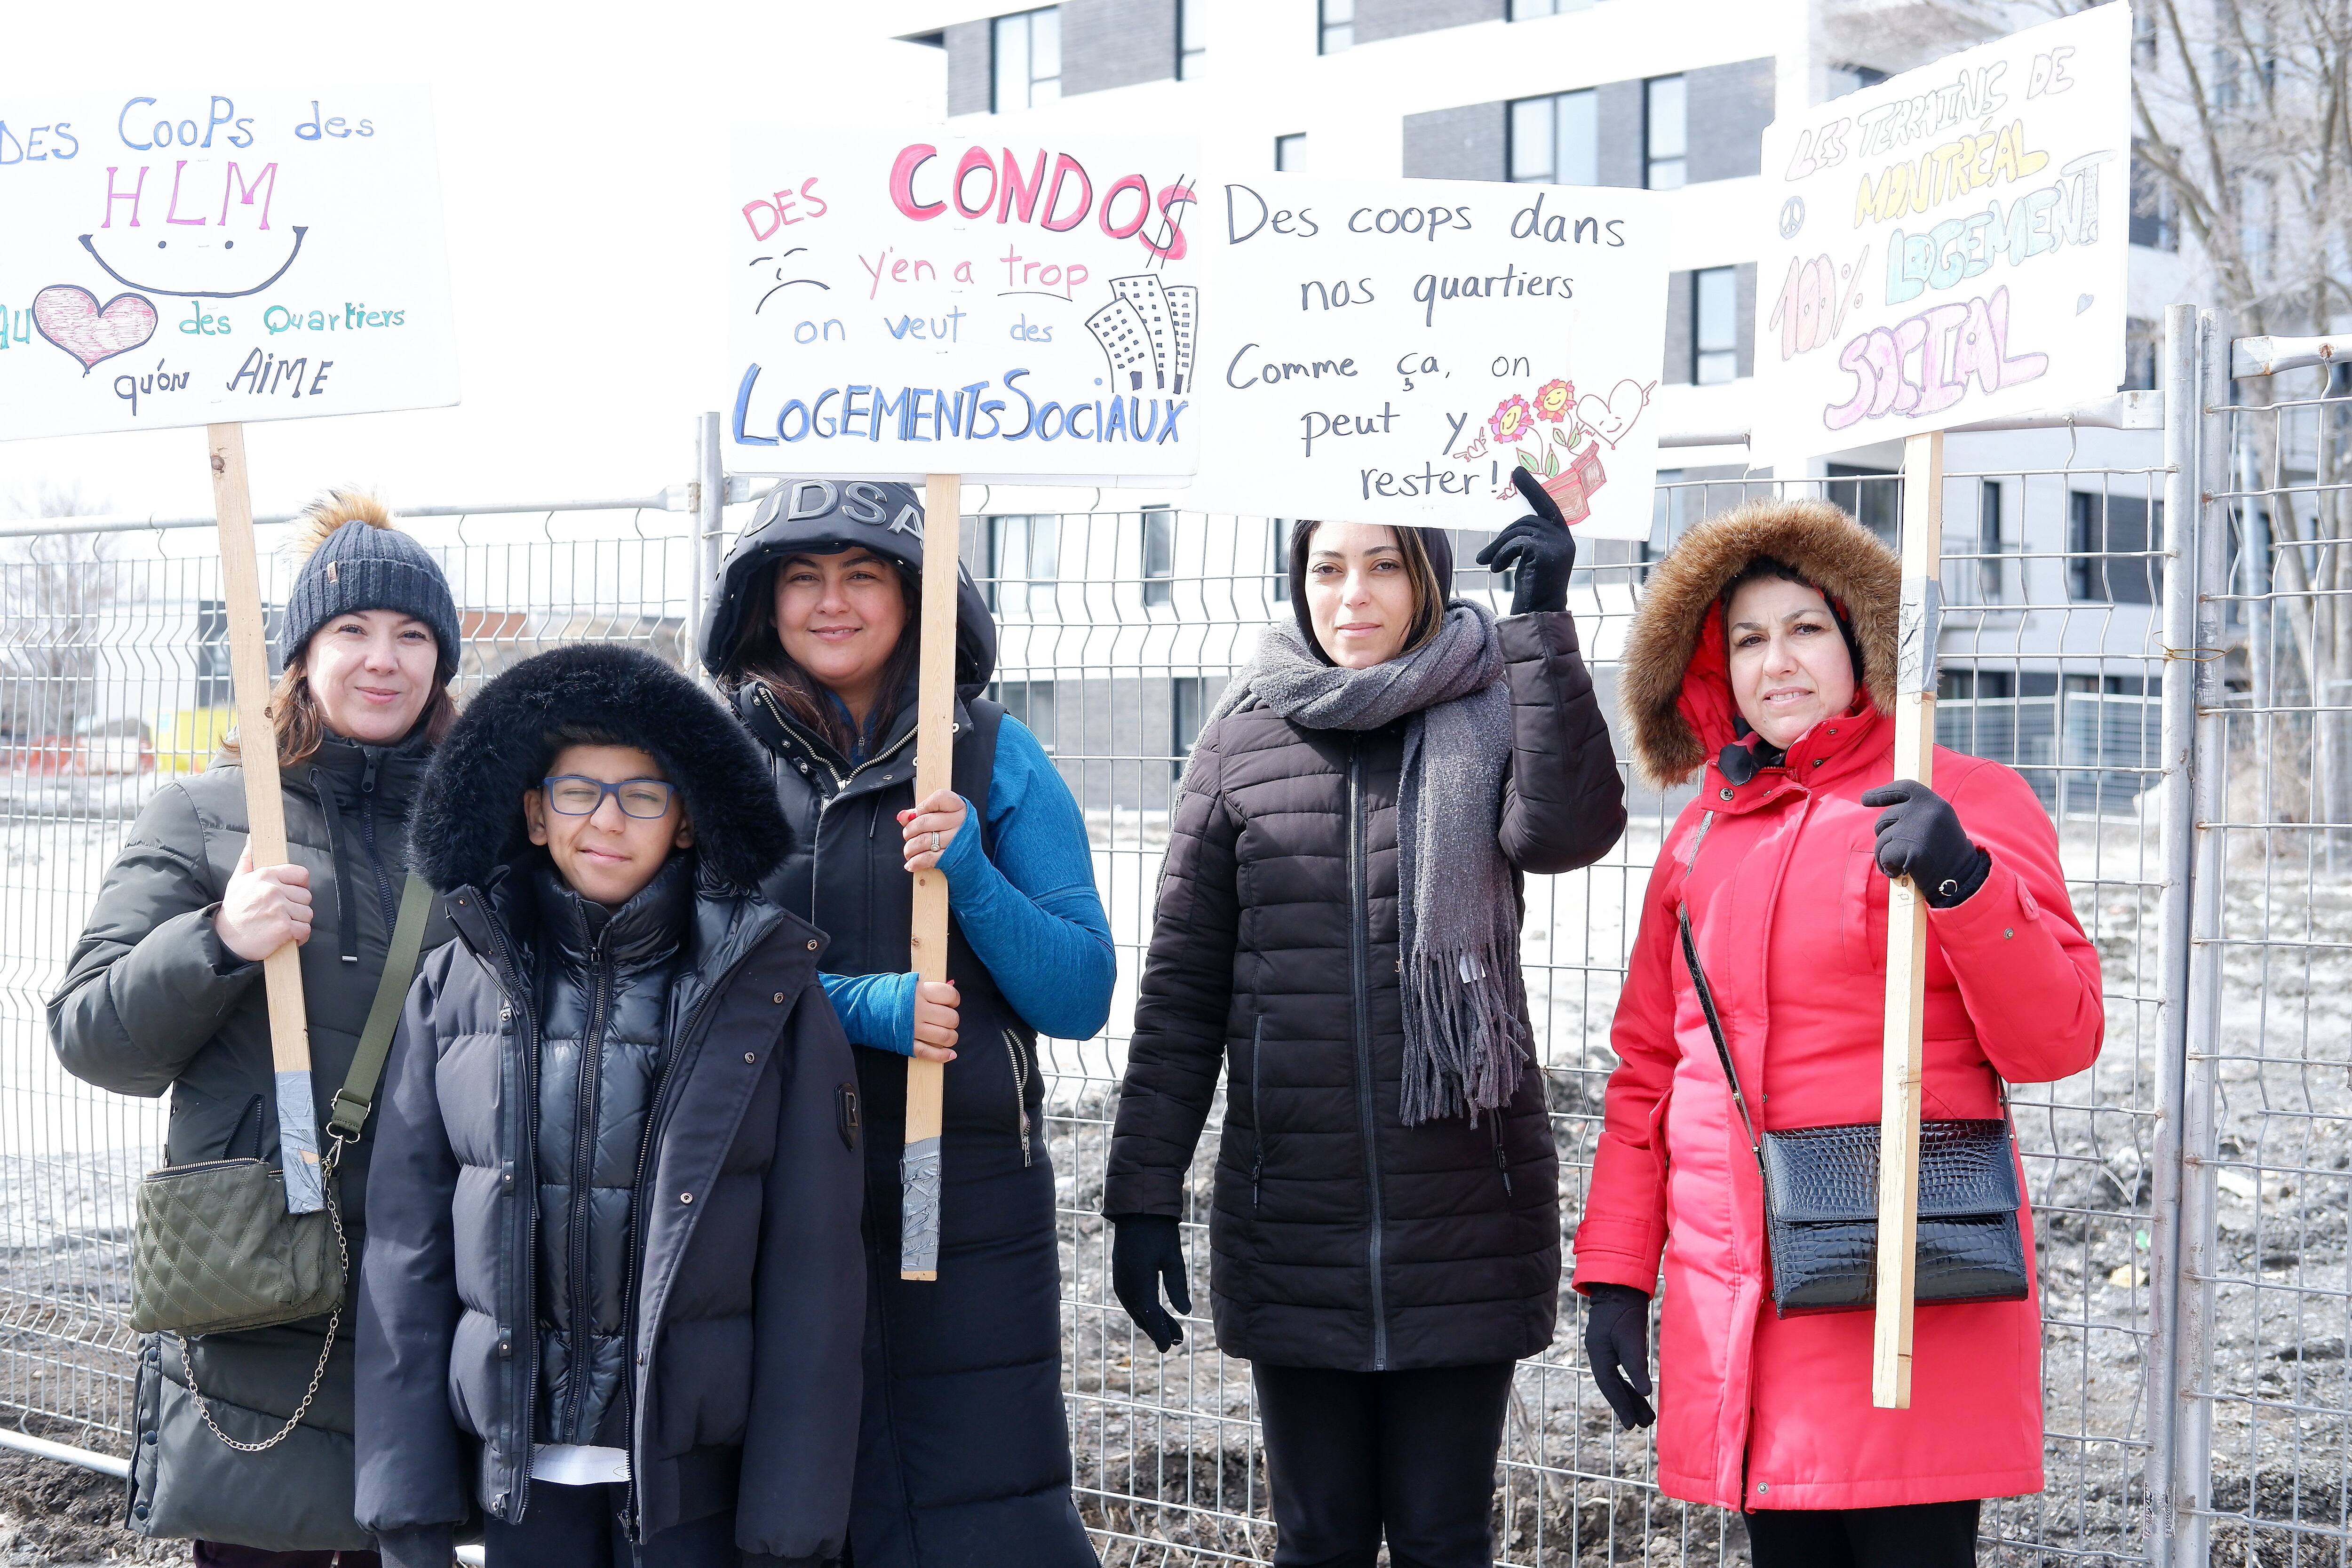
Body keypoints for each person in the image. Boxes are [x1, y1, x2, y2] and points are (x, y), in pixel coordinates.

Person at [1104, 469, 1626, 1568]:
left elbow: (1569, 827)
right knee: (1319, 1538)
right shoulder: (1241, 739)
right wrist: (1143, 1195)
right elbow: (1184, 985)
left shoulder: (1487, 701)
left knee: (1444, 1537)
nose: (1354, 593)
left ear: (1430, 574)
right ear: (1296, 582)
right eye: (1327, 566)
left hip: (1465, 1211)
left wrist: (1540, 628)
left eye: (1384, 563)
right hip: (1292, 1214)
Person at [1572, 499, 2106, 1568]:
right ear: (1716, 669)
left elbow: (2060, 1037)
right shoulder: (1700, 835)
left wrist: (1962, 880)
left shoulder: (1961, 797)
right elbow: (1650, 1064)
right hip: (1748, 1291)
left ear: (1859, 639)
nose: (1778, 660)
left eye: (1805, 628)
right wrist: (1619, 1271)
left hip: (1905, 1279)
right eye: (1749, 638)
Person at [352, 644, 866, 1568]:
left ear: (684, 823)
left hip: (690, 1486)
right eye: (577, 790)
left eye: (643, 793)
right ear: (535, 813)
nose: (607, 819)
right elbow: (406, 1254)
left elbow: (813, 1278)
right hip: (523, 1480)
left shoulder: (764, 997)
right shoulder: (454, 987)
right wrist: (408, 1515)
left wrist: (791, 1532)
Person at [701, 480, 1113, 1568]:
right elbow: (688, 981)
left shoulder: (995, 755)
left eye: (864, 574)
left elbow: (1079, 992)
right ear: (761, 599)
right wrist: (863, 1007)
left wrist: (968, 867)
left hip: (966, 1192)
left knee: (980, 1497)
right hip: (767, 1182)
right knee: (796, 1499)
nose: (831, 602)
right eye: (802, 576)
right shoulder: (714, 765)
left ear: (919, 594)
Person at [48, 494, 460, 1563]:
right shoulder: (206, 814)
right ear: (298, 653)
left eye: (413, 635)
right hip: (263, 1282)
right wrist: (218, 938)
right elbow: (91, 1032)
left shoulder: (484, 833)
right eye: (353, 631)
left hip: (435, 1277)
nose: (385, 660)